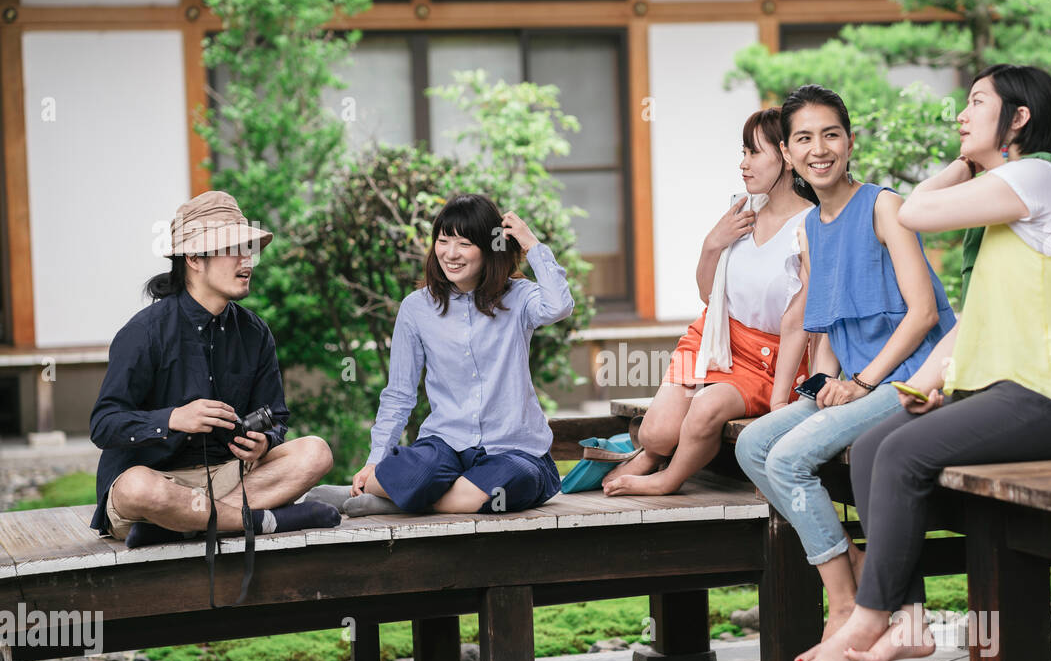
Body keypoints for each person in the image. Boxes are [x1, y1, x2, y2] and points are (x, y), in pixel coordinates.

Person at [796, 64, 1051, 661]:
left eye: (977, 103)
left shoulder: (1037, 175)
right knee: (871, 449)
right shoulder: (1010, 201)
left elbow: (914, 211)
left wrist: (958, 165)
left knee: (899, 457)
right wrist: (928, 380)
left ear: (1018, 118)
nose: (962, 115)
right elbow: (974, 317)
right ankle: (912, 621)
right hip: (1014, 393)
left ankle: (869, 617)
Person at [734, 85, 957, 641]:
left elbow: (924, 314)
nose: (820, 148)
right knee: (752, 444)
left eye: (831, 134)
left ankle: (841, 602)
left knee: (787, 460)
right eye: (804, 138)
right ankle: (855, 565)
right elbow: (824, 324)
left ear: (851, 142)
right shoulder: (810, 226)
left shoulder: (884, 206)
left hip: (914, 377)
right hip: (858, 379)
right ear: (787, 153)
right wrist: (821, 385)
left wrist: (860, 382)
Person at [90, 190, 339, 548]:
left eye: (248, 249)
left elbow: (277, 417)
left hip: (230, 478)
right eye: (233, 250)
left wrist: (264, 441)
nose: (247, 261)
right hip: (159, 482)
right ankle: (261, 520)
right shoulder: (144, 333)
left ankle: (183, 525)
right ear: (193, 257)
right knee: (136, 488)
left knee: (316, 452)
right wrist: (173, 418)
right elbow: (103, 425)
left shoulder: (254, 332)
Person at [307, 194, 573, 518]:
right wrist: (375, 460)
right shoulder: (417, 308)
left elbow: (559, 306)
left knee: (509, 480)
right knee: (419, 471)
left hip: (513, 450)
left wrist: (531, 244)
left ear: (490, 248)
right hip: (447, 445)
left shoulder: (519, 298)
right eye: (443, 241)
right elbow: (399, 394)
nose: (450, 253)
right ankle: (395, 486)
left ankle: (392, 499)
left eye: (464, 243)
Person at [601, 109, 813, 497]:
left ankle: (668, 479)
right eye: (743, 151)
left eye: (753, 152)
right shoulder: (741, 209)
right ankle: (652, 451)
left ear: (785, 157)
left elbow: (799, 321)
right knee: (657, 431)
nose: (743, 163)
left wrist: (781, 399)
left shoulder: (809, 226)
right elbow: (707, 294)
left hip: (769, 360)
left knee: (705, 409)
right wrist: (712, 243)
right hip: (713, 339)